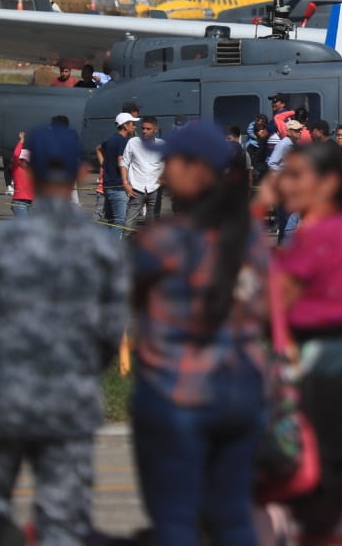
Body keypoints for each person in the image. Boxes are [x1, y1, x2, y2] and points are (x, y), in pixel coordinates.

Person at [0, 125, 126, 546]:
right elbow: (110, 329)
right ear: (82, 174)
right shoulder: (101, 246)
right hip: (70, 397)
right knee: (63, 517)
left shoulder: (5, 240)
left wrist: (0, 362)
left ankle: (11, 537)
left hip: (9, 391)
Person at [130, 122, 270, 545]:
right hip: (244, 393)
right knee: (233, 518)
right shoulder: (252, 239)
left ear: (197, 169)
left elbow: (133, 302)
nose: (162, 171)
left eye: (170, 161)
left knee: (176, 522)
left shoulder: (162, 242)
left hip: (178, 395)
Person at [272, 141, 342, 545]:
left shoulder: (325, 236)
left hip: (324, 389)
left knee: (314, 509)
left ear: (329, 183)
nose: (286, 183)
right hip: (329, 383)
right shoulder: (324, 232)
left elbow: (267, 300)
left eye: (297, 175)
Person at [122, 116, 165, 239]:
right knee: (128, 225)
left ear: (155, 129)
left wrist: (164, 179)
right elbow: (124, 163)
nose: (145, 131)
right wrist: (125, 183)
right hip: (136, 188)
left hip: (155, 189)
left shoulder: (162, 145)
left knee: (153, 227)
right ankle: (124, 251)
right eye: (143, 128)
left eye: (148, 129)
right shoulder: (133, 142)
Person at [96, 113, 137, 241]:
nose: (135, 127)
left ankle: (107, 248)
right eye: (132, 124)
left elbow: (98, 148)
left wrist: (105, 165)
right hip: (119, 187)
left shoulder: (112, 139)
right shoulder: (123, 142)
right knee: (119, 222)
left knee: (111, 221)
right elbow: (121, 160)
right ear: (125, 126)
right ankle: (112, 252)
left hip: (108, 186)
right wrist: (126, 180)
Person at [8, 131, 33, 217]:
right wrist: (21, 141)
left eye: (25, 159)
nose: (23, 161)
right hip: (19, 203)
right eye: (22, 159)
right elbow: (15, 155)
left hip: (32, 203)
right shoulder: (16, 169)